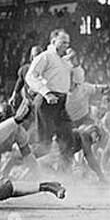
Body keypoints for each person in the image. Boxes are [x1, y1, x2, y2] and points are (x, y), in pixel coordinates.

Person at [23, 28, 77, 166]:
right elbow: (30, 76)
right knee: (44, 141)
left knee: (68, 136)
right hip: (47, 101)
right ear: (53, 41)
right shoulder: (45, 56)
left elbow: (69, 68)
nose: (67, 45)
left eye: (68, 43)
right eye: (63, 42)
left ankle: (64, 172)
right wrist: (46, 92)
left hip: (61, 102)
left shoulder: (63, 60)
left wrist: (71, 57)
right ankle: (30, 169)